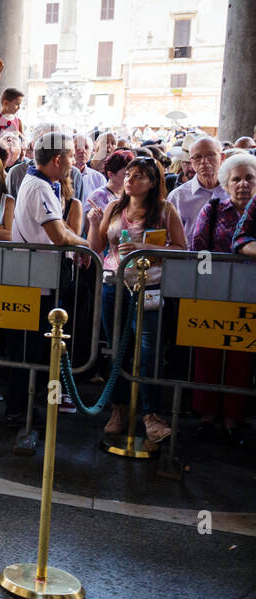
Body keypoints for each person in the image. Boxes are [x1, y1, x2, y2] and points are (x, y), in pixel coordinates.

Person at [86, 157, 187, 444]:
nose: (129, 180)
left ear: (153, 182)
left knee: (148, 351)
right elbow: (97, 247)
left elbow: (181, 248)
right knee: (116, 349)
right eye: (128, 174)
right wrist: (94, 225)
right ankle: (119, 409)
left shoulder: (165, 210)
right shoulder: (114, 207)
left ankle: (151, 414)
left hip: (149, 286)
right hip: (113, 285)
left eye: (139, 176)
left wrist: (144, 247)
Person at [5, 132, 90, 424]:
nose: (73, 161)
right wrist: (86, 244)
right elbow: (59, 234)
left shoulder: (42, 184)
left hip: (41, 279)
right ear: (58, 159)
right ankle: (19, 412)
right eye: (69, 154)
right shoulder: (40, 187)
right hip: (36, 282)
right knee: (28, 351)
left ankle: (24, 409)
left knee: (34, 351)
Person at [189, 152, 256, 444]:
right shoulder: (213, 209)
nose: (243, 184)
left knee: (241, 360)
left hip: (250, 299)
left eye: (249, 178)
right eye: (236, 179)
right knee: (208, 357)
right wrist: (211, 280)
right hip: (214, 296)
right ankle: (205, 417)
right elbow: (198, 249)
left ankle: (232, 419)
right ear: (226, 185)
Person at [167, 137, 227, 235]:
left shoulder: (234, 192)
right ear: (191, 161)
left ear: (222, 157)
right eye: (197, 157)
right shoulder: (177, 196)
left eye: (210, 155)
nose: (204, 161)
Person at [0, 58, 25, 139]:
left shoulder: (18, 122)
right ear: (5, 103)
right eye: (17, 104)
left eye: (20, 104)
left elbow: (23, 142)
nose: (19, 107)